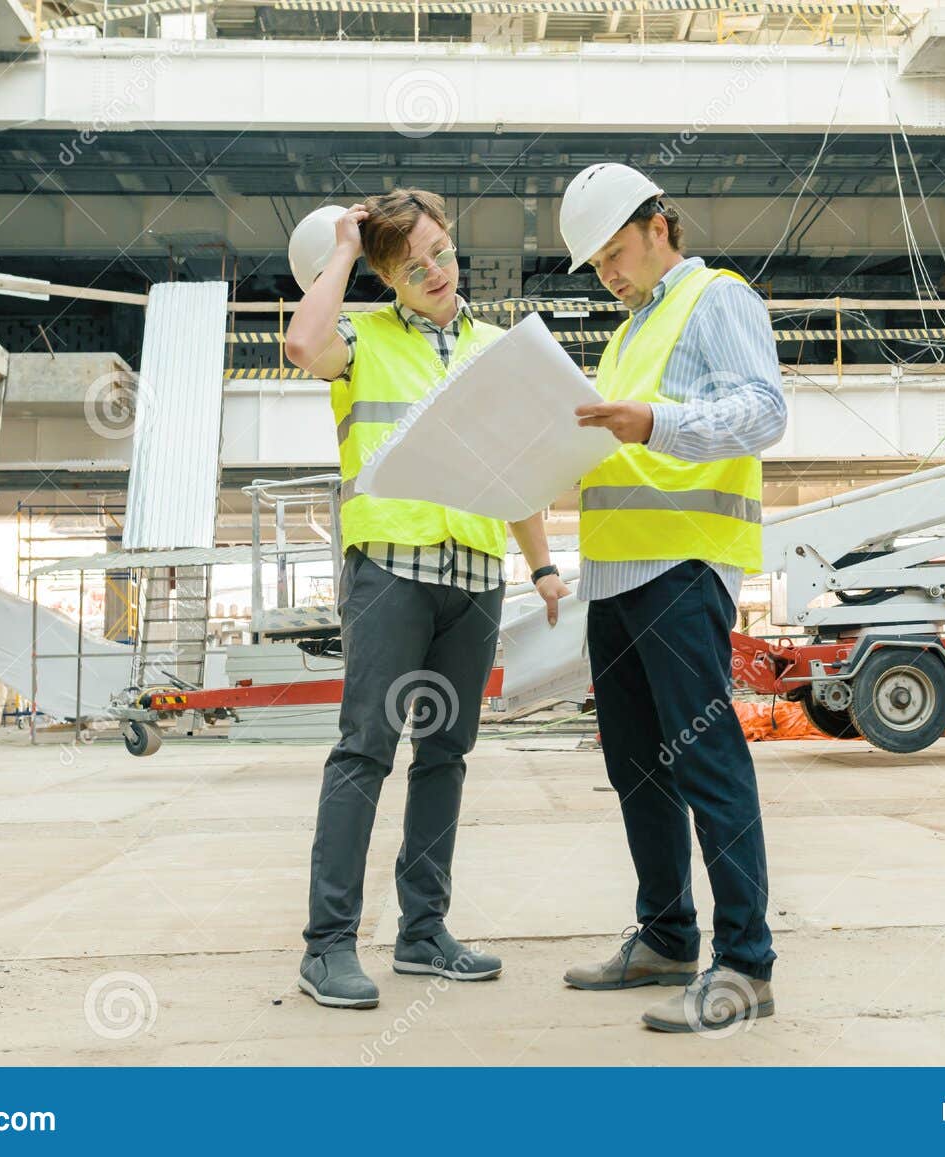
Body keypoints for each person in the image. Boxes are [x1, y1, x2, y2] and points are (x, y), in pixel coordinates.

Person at [284, 189, 571, 1009]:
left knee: (444, 755)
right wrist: (342, 247)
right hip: (391, 573)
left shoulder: (493, 348)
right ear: (386, 278)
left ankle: (422, 932)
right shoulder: (358, 339)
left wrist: (543, 567)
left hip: (475, 578)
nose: (437, 273)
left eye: (441, 253)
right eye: (414, 268)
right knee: (365, 751)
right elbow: (302, 344)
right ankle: (328, 945)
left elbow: (518, 471)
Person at [556, 164, 787, 1033]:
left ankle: (746, 965)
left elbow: (763, 411)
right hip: (615, 577)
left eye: (616, 253)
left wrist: (654, 423)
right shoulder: (628, 334)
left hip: (683, 568)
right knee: (636, 769)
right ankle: (665, 936)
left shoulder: (716, 299)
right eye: (598, 265)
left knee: (706, 762)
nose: (609, 275)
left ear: (660, 225)